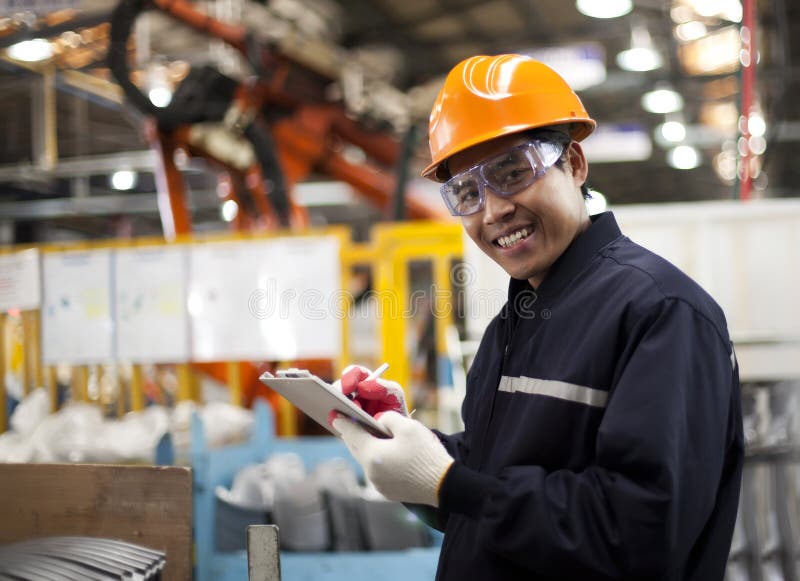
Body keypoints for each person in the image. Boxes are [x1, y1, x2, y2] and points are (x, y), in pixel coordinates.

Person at [332, 54, 744, 581]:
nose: (493, 211)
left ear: (573, 164)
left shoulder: (661, 313)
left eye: (512, 171)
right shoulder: (516, 320)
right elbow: (495, 475)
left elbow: (642, 533)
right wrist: (409, 443)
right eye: (467, 192)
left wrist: (448, 483)